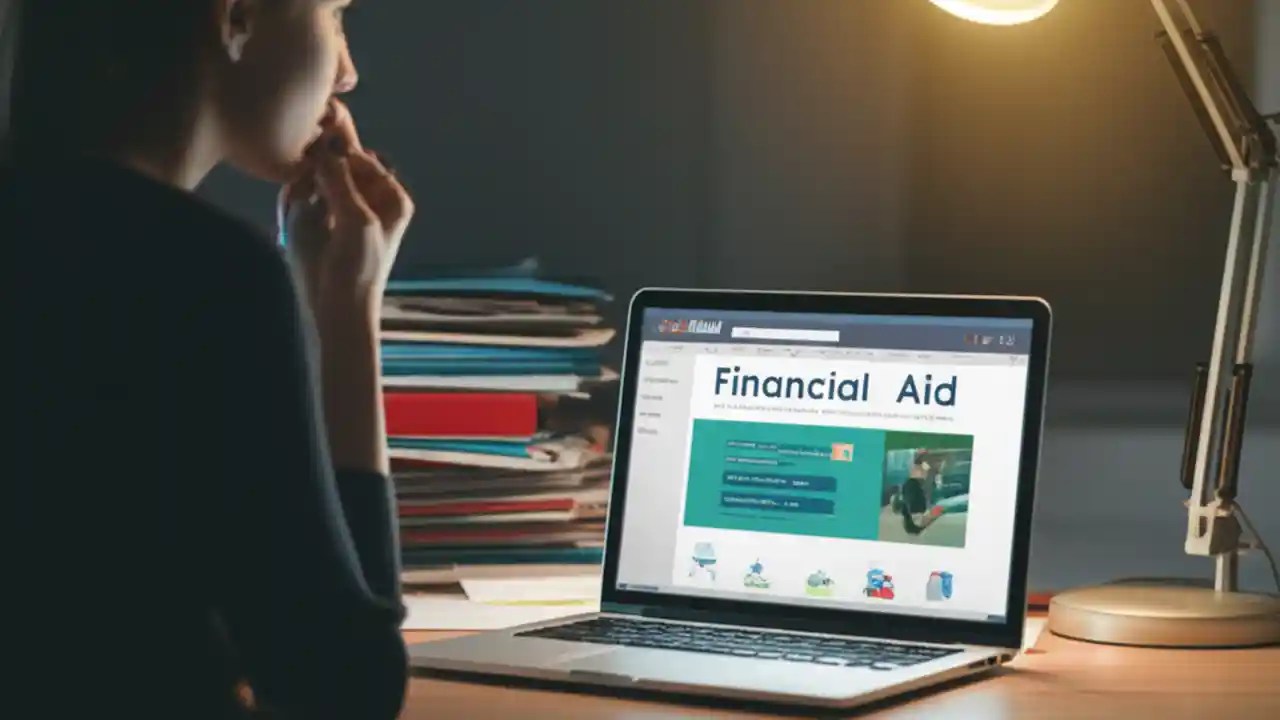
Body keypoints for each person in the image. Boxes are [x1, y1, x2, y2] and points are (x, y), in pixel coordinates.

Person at [4, 1, 413, 717]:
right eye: (333, 14)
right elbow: (346, 691)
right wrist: (349, 315)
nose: (346, 73)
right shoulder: (209, 275)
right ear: (237, 17)